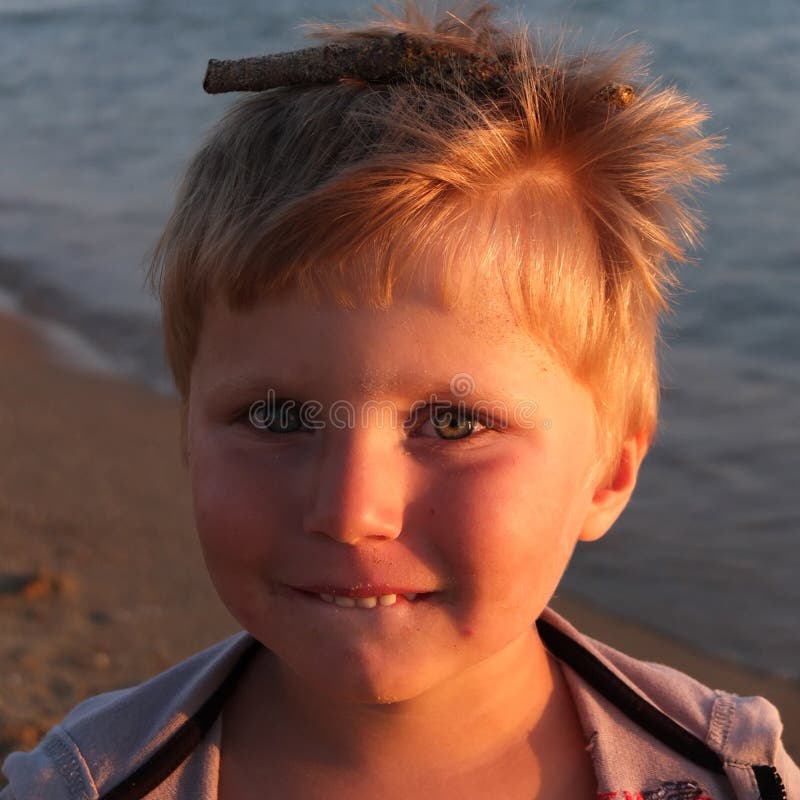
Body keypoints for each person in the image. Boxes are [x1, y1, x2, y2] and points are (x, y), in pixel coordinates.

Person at [2, 3, 797, 799]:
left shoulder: (728, 775)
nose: (351, 511)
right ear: (187, 437)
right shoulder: (88, 783)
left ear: (609, 475)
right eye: (277, 417)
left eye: (453, 423)